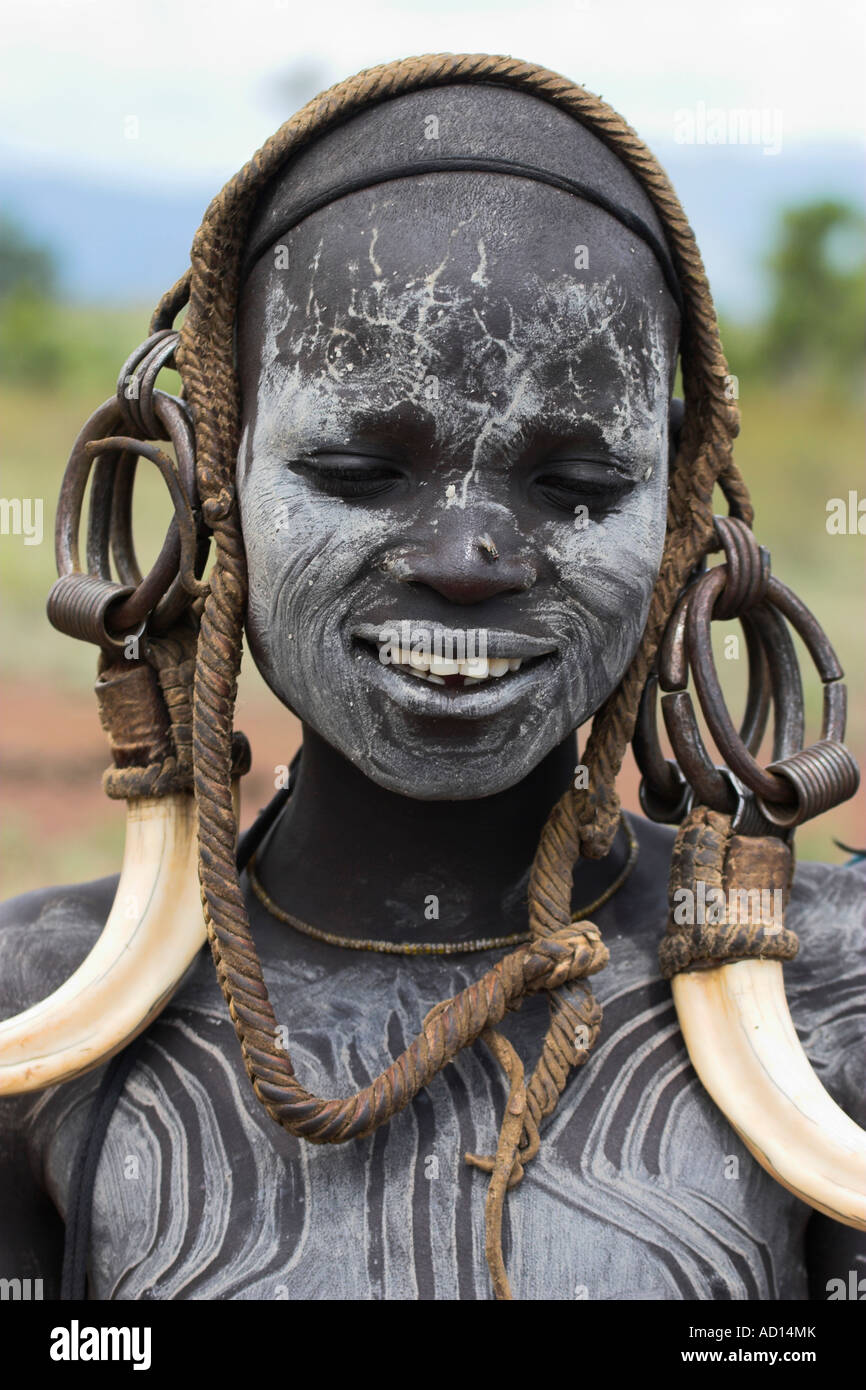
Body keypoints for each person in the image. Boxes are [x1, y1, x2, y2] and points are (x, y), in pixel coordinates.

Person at [0, 54, 863, 1302]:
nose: (468, 562)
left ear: (681, 512)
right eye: (357, 472)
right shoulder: (42, 1017)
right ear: (209, 477)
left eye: (575, 490)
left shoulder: (826, 1004)